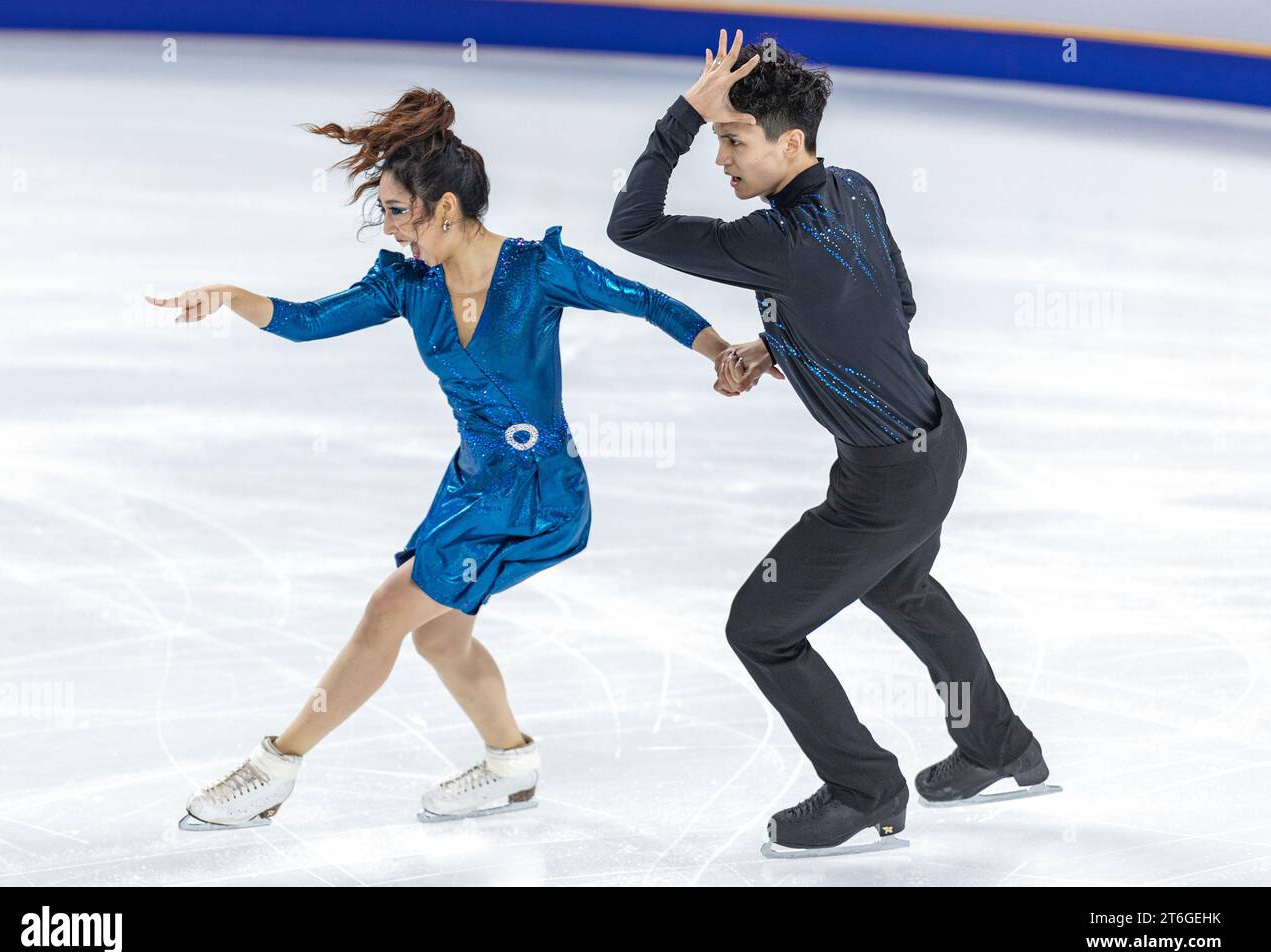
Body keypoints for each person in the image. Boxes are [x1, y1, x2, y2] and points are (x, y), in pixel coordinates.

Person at [147, 86, 738, 830]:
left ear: (448, 208)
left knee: (389, 610)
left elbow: (645, 300)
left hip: (535, 490)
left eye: (400, 211)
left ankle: (273, 769)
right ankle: (511, 764)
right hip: (469, 486)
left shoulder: (537, 269)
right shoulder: (409, 285)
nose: (390, 229)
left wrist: (719, 351)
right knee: (438, 635)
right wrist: (231, 296)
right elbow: (305, 323)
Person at [607, 29, 1055, 857]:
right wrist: (782, 343)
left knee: (761, 628)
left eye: (732, 139)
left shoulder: (771, 243)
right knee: (903, 592)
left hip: (885, 482)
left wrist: (679, 115)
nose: (720, 159)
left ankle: (864, 787)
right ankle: (998, 744)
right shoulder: (852, 188)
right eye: (713, 140)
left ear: (790, 141)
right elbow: (895, 303)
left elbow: (631, 227)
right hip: (933, 441)